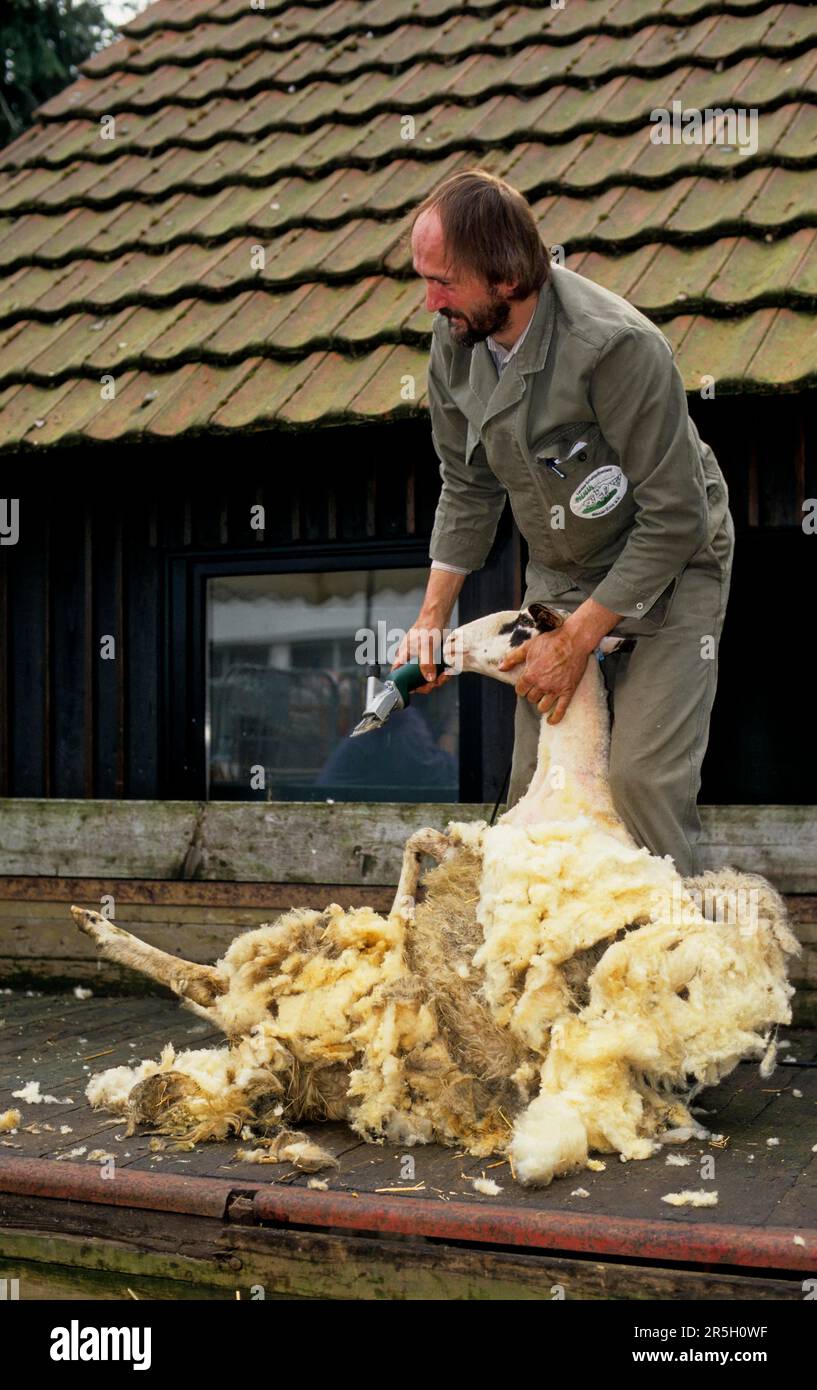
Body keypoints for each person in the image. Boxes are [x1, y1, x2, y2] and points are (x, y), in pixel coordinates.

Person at [392, 169, 734, 877]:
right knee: (536, 788)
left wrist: (579, 638)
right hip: (561, 564)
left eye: (444, 282)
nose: (429, 301)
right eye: (424, 280)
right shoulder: (452, 342)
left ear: (507, 278)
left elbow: (675, 517)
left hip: (671, 554)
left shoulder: (616, 346)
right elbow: (467, 484)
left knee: (641, 782)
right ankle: (549, 971)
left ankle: (668, 968)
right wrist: (431, 622)